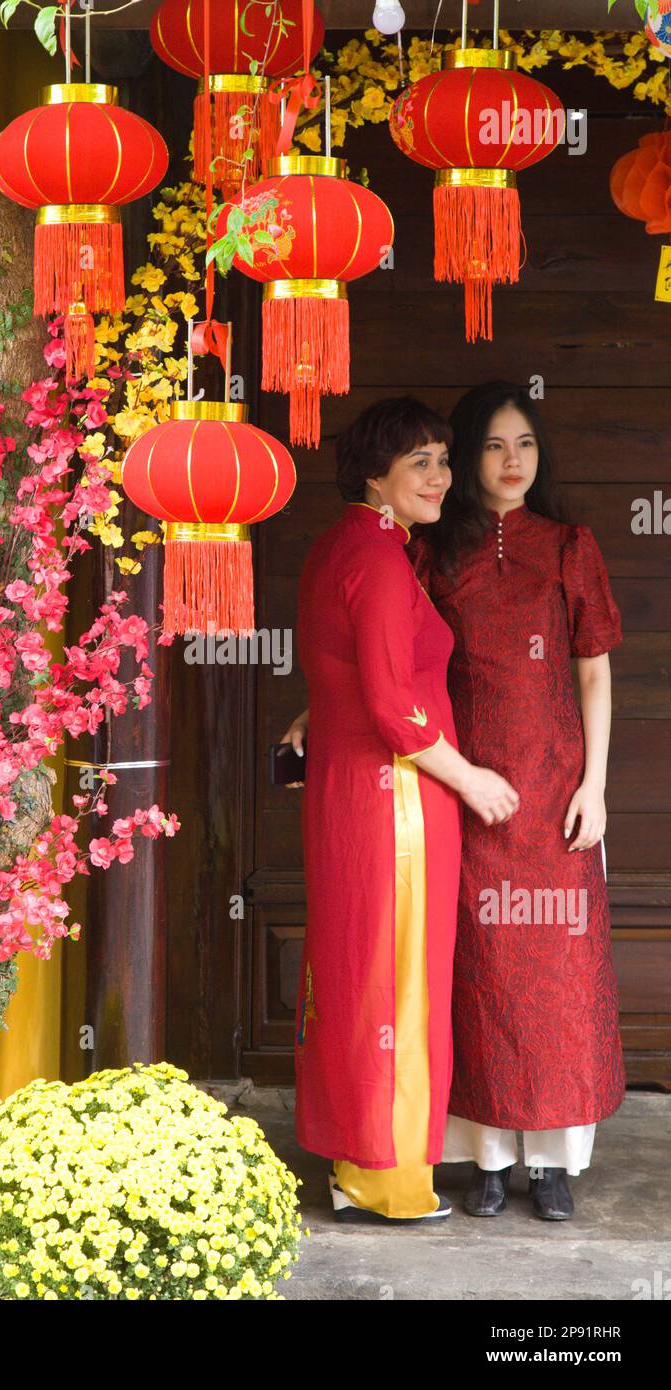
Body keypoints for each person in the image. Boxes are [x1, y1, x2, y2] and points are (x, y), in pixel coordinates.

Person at [285, 382, 625, 1222]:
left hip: (547, 792)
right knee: (464, 978)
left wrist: (596, 785)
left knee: (555, 973)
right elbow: (387, 663)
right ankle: (483, 1161)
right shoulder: (422, 553)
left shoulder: (568, 544)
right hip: (452, 786)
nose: (511, 463)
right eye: (492, 448)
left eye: (527, 447)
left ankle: (552, 1165)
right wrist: (322, 708)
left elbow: (593, 668)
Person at [291, 395, 519, 1225]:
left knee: (360, 973)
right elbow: (395, 708)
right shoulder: (381, 562)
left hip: (350, 796)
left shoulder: (344, 547)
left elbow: (343, 671)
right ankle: (389, 1178)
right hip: (396, 805)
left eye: (442, 459)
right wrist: (474, 780)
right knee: (397, 982)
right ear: (374, 475)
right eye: (417, 461)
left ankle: (355, 1160)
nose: (439, 475)